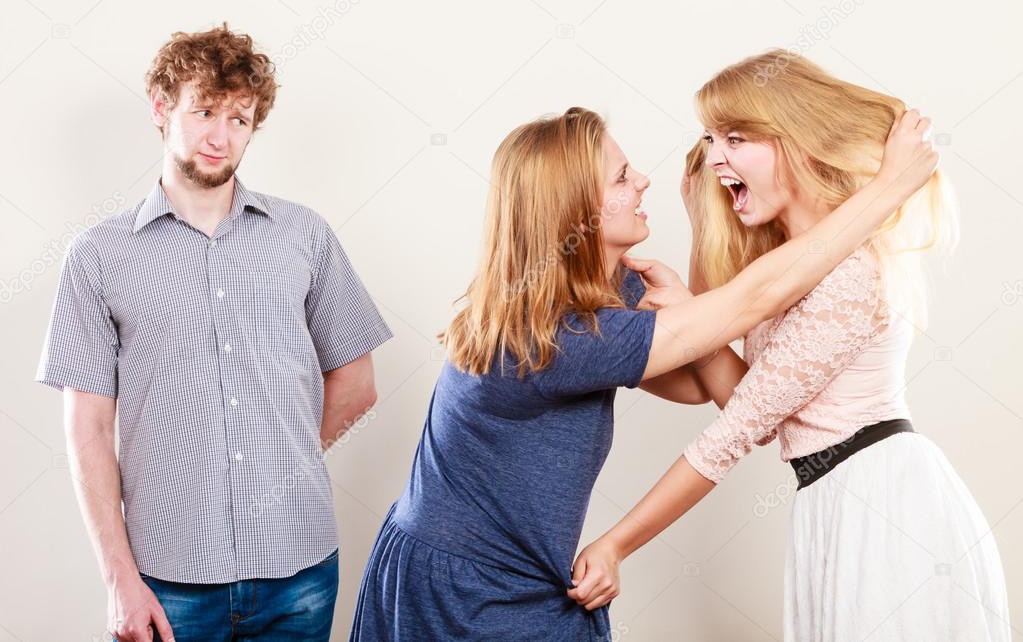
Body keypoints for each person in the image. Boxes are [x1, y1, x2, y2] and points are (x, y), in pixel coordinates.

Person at [349, 102, 937, 640]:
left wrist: (698, 260)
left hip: (494, 567)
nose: (643, 180)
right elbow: (754, 300)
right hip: (463, 585)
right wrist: (888, 189)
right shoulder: (555, 333)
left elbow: (730, 397)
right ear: (578, 208)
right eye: (622, 176)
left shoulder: (612, 290)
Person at [570, 51, 1011, 641]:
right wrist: (703, 225)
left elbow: (734, 434)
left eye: (735, 136)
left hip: (884, 504)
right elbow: (746, 399)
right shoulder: (782, 267)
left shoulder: (850, 274)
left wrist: (616, 543)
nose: (712, 155)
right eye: (709, 137)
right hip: (834, 495)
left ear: (796, 142)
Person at [36, 23, 392, 642]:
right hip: (165, 583)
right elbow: (87, 427)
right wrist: (119, 578)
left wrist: (280, 460)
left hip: (300, 575)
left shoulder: (304, 236)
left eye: (239, 118)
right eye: (204, 110)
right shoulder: (96, 257)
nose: (220, 135)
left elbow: (357, 383)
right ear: (160, 107)